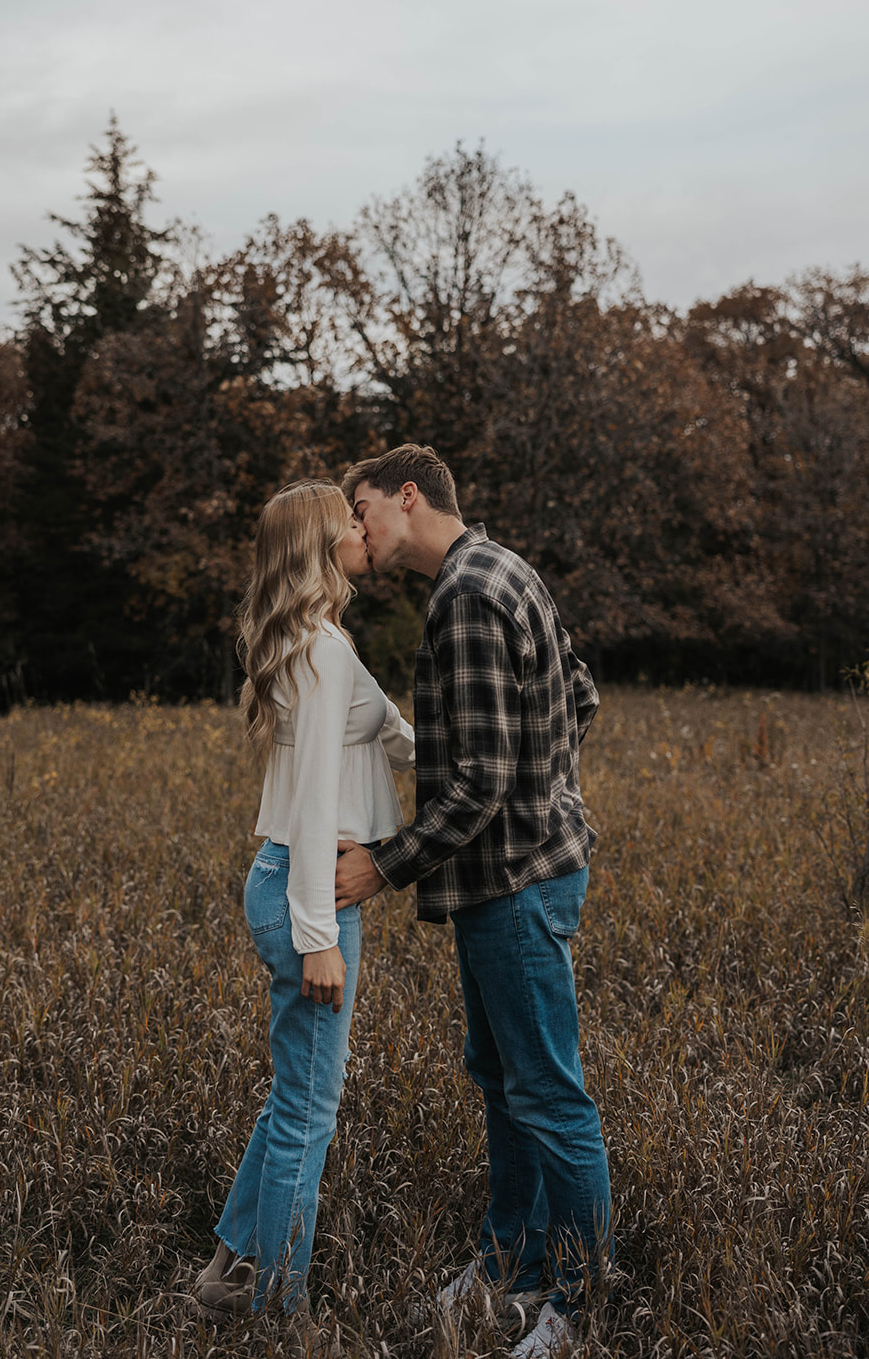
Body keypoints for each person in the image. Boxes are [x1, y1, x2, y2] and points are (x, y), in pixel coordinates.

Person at [334, 445, 610, 1359]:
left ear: (407, 496)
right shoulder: (501, 568)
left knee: (545, 1092)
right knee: (503, 1079)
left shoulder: (465, 594)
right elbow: (578, 692)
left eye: (361, 507)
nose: (354, 528)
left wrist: (382, 865)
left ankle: (578, 1302)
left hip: (514, 882)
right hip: (516, 870)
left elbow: (480, 779)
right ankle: (511, 1260)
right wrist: (545, 786)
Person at [194, 479, 415, 1344]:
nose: (364, 530)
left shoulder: (314, 639)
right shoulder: (320, 648)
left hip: (286, 875)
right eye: (349, 522)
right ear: (322, 544)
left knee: (295, 1094)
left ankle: (224, 1270)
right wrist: (319, 935)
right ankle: (280, 1310)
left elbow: (392, 732)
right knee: (309, 1110)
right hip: (307, 883)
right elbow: (319, 793)